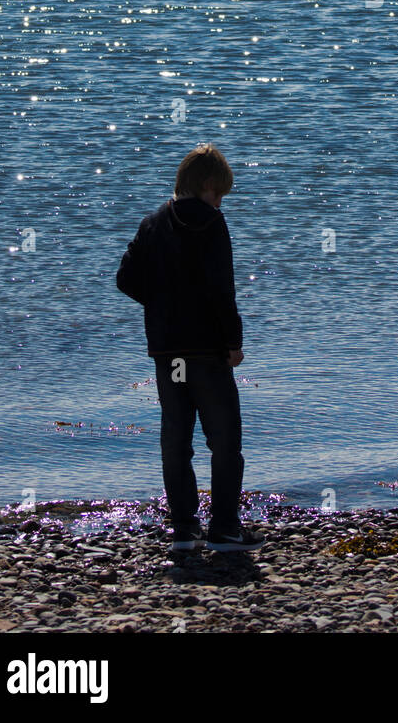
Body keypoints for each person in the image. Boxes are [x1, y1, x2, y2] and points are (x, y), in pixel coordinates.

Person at [116, 143, 264, 553]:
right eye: (218, 194)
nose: (220, 203)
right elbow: (222, 291)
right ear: (205, 187)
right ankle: (225, 529)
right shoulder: (212, 225)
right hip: (206, 353)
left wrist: (164, 303)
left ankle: (183, 528)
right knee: (225, 441)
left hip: (169, 354)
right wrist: (233, 342)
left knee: (176, 438)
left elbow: (125, 279)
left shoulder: (152, 223)